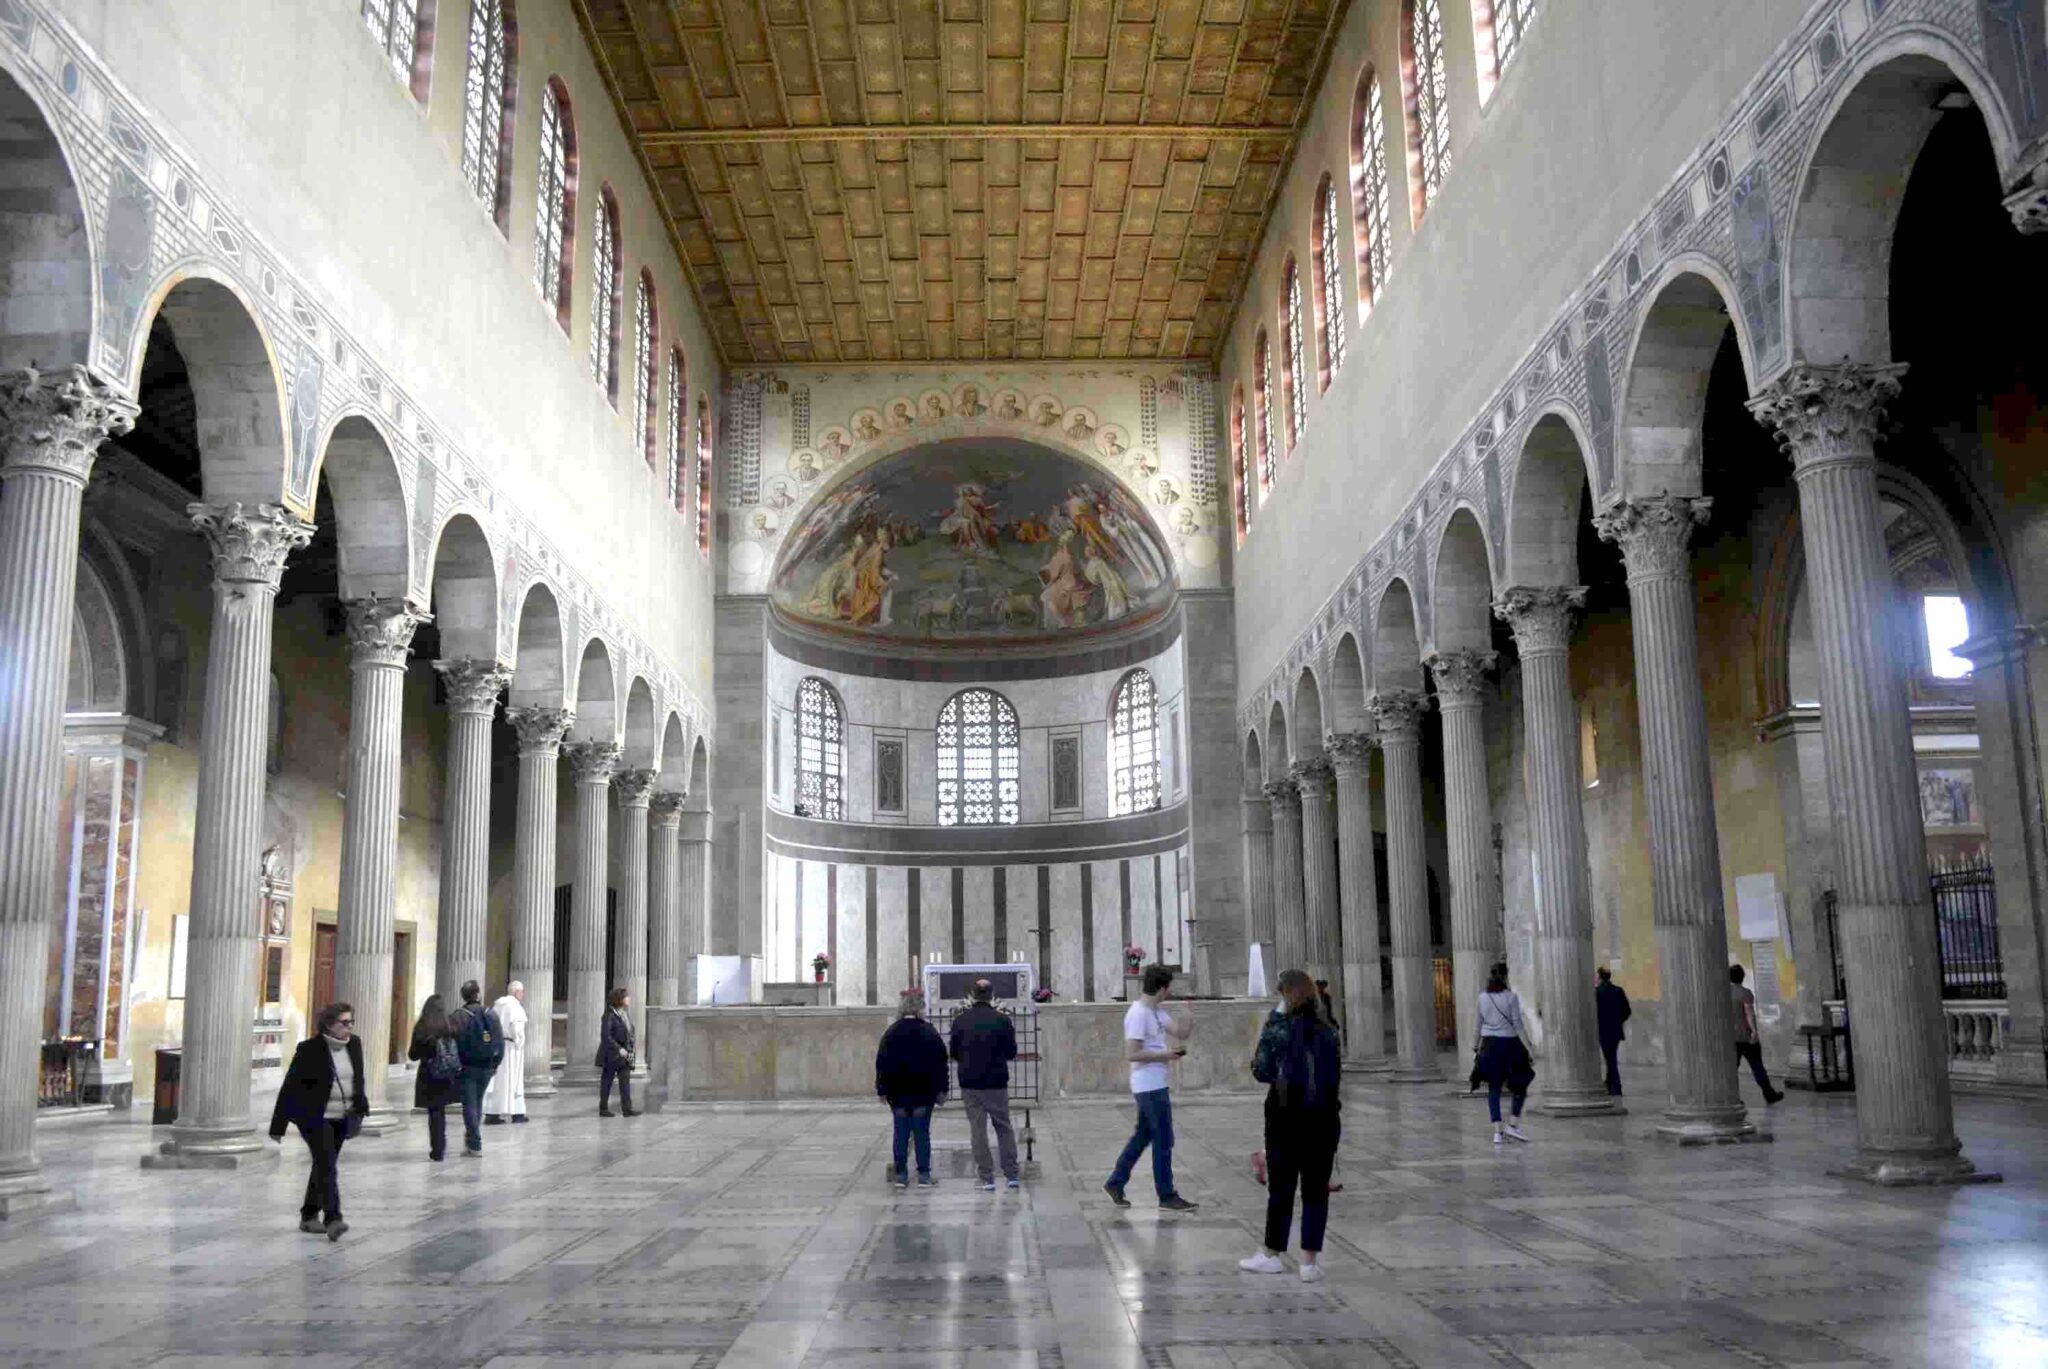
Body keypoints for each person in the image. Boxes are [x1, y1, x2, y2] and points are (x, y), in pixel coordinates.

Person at [1240, 969, 1343, 1283]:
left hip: (1285, 1118)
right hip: (1323, 1120)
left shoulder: (1280, 1029)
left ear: (1285, 994)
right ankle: (1309, 1263)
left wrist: (1274, 1018)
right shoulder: (1329, 1029)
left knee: (1281, 1189)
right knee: (1315, 1191)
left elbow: (1261, 1070)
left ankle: (1272, 1254)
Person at [268, 1001, 368, 1241]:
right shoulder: (310, 1049)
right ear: (328, 1024)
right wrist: (277, 1126)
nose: (349, 1027)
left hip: (342, 1116)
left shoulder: (354, 1045)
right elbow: (290, 1086)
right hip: (314, 1117)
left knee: (323, 1164)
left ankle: (309, 1215)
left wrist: (361, 1109)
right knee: (327, 1163)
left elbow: (358, 1078)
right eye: (344, 1023)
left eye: (351, 1022)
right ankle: (333, 1218)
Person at [1104, 964, 1198, 1212]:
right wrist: (1166, 1055)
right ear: (1161, 988)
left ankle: (1115, 1181)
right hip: (1148, 1084)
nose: (1169, 993)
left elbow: (1180, 1032)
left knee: (1143, 1135)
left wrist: (1188, 1015)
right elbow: (1132, 1054)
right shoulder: (1138, 1014)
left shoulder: (1155, 1011)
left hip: (1156, 1082)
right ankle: (1166, 1196)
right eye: (1168, 988)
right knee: (1164, 1139)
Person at [949, 978, 1021, 1191]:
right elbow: (1011, 1052)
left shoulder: (960, 1021)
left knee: (978, 1130)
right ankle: (1011, 1174)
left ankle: (987, 1177)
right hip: (996, 1081)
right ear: (991, 995)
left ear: (973, 996)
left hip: (971, 1082)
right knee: (1004, 1127)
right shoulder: (1002, 1020)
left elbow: (953, 1053)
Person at [876, 989, 950, 1189]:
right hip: (922, 1093)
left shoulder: (891, 1032)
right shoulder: (929, 1031)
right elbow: (940, 1063)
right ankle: (924, 1175)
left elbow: (881, 1062)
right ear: (920, 1009)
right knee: (921, 1133)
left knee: (900, 1133)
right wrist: (942, 1089)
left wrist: (882, 1089)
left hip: (898, 1093)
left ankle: (901, 1176)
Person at [1468, 962, 1535, 1144]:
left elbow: (1477, 1026)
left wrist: (1475, 1048)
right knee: (1521, 1083)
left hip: (1489, 1045)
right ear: (1506, 977)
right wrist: (1529, 1047)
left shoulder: (1482, 998)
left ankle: (1497, 1132)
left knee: (1494, 1088)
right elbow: (1518, 1026)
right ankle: (1512, 1125)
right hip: (1510, 1045)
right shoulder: (1511, 997)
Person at [449, 980, 505, 1156]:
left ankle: (474, 1143)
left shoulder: (458, 1016)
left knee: (470, 1104)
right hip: (487, 1066)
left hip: (467, 1066)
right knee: (477, 1101)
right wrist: (496, 1063)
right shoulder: (491, 1014)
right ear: (478, 995)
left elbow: (451, 1044)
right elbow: (500, 1042)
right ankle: (472, 1139)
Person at [406, 994, 462, 1162]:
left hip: (429, 1073)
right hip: (448, 1073)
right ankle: (441, 1146)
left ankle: (437, 1149)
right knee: (441, 1111)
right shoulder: (450, 1026)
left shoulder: (423, 1027)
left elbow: (413, 1055)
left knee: (434, 1112)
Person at [1731, 964, 1785, 1105]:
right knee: (1757, 1066)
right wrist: (1754, 1031)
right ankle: (1769, 1094)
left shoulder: (1724, 994)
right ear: (1742, 977)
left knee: (1730, 1070)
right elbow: (1749, 1013)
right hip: (1746, 1037)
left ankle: (1732, 1098)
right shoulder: (1745, 993)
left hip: (1731, 1038)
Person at [483, 981, 529, 1124]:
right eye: (521, 992)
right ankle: (517, 1113)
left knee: (497, 1081)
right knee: (513, 1081)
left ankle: (493, 1113)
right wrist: (519, 1042)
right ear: (516, 992)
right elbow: (517, 1029)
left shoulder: (497, 1006)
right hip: (511, 1048)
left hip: (498, 1046)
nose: (523, 995)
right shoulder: (514, 1007)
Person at [597, 986, 638, 1117]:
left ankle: (627, 1109)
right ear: (619, 999)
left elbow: (629, 1032)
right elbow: (606, 1036)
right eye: (626, 996)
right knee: (607, 1082)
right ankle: (603, 1108)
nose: (628, 999)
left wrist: (629, 1049)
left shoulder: (624, 1014)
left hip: (625, 1054)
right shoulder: (609, 1015)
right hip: (611, 1055)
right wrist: (619, 1049)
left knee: (625, 1082)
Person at [1595, 966, 1632, 1097]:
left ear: (1599, 977)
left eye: (1596, 976)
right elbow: (1627, 1011)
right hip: (1615, 1031)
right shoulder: (1618, 990)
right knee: (1611, 1058)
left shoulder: (1597, 992)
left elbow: (1594, 1013)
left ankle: (1616, 1086)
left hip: (1603, 1031)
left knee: (1610, 1059)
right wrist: (1617, 1021)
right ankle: (1610, 1083)